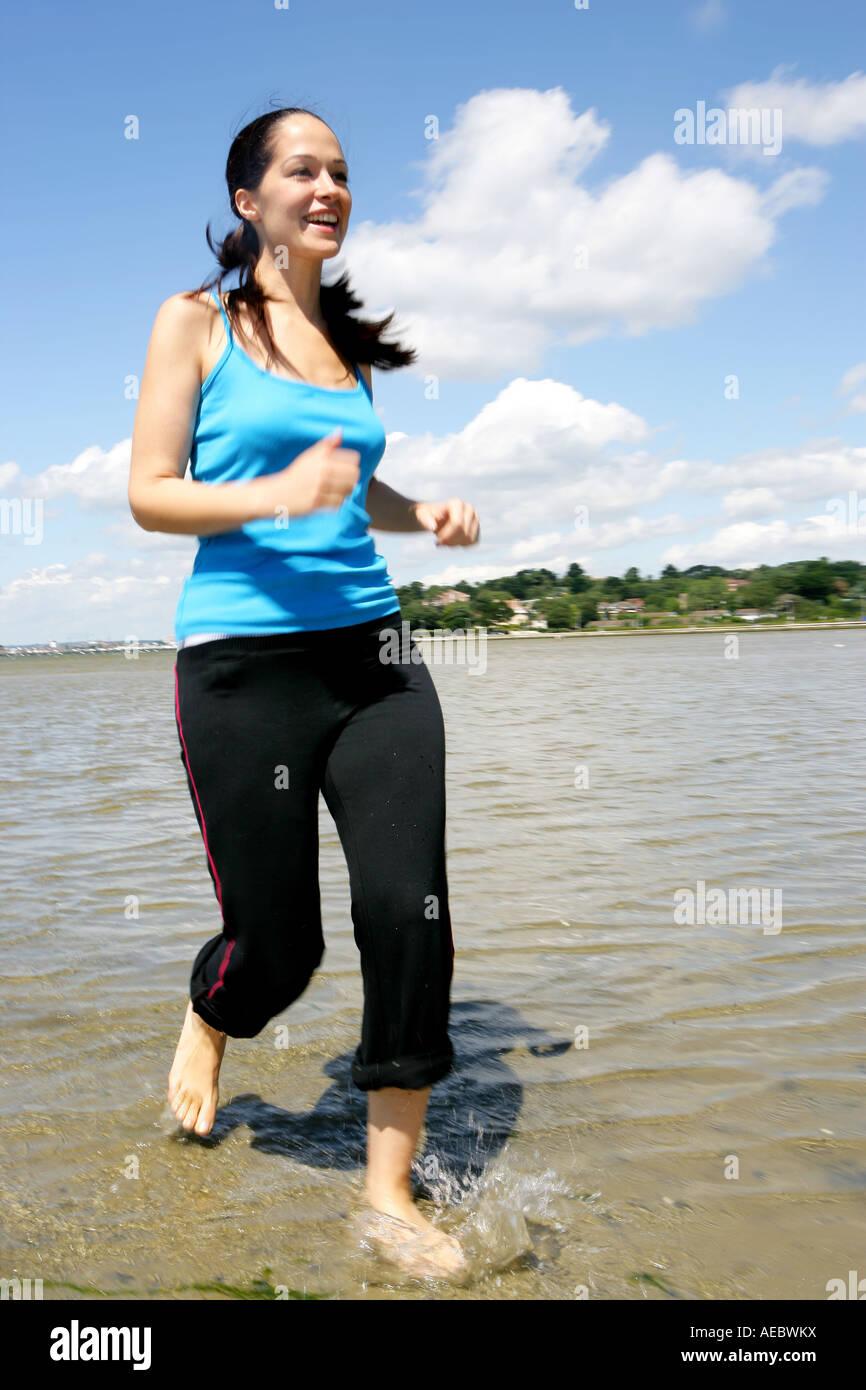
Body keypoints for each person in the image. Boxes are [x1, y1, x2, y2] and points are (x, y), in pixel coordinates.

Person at [128, 106, 480, 1281]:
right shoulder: (194, 323)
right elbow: (152, 492)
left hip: (374, 660)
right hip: (240, 665)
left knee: (408, 909)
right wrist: (275, 491)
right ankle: (215, 1013)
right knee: (281, 951)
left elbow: (345, 484)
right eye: (301, 168)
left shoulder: (346, 345)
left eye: (340, 170)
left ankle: (386, 1196)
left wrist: (413, 508)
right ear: (248, 199)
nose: (327, 185)